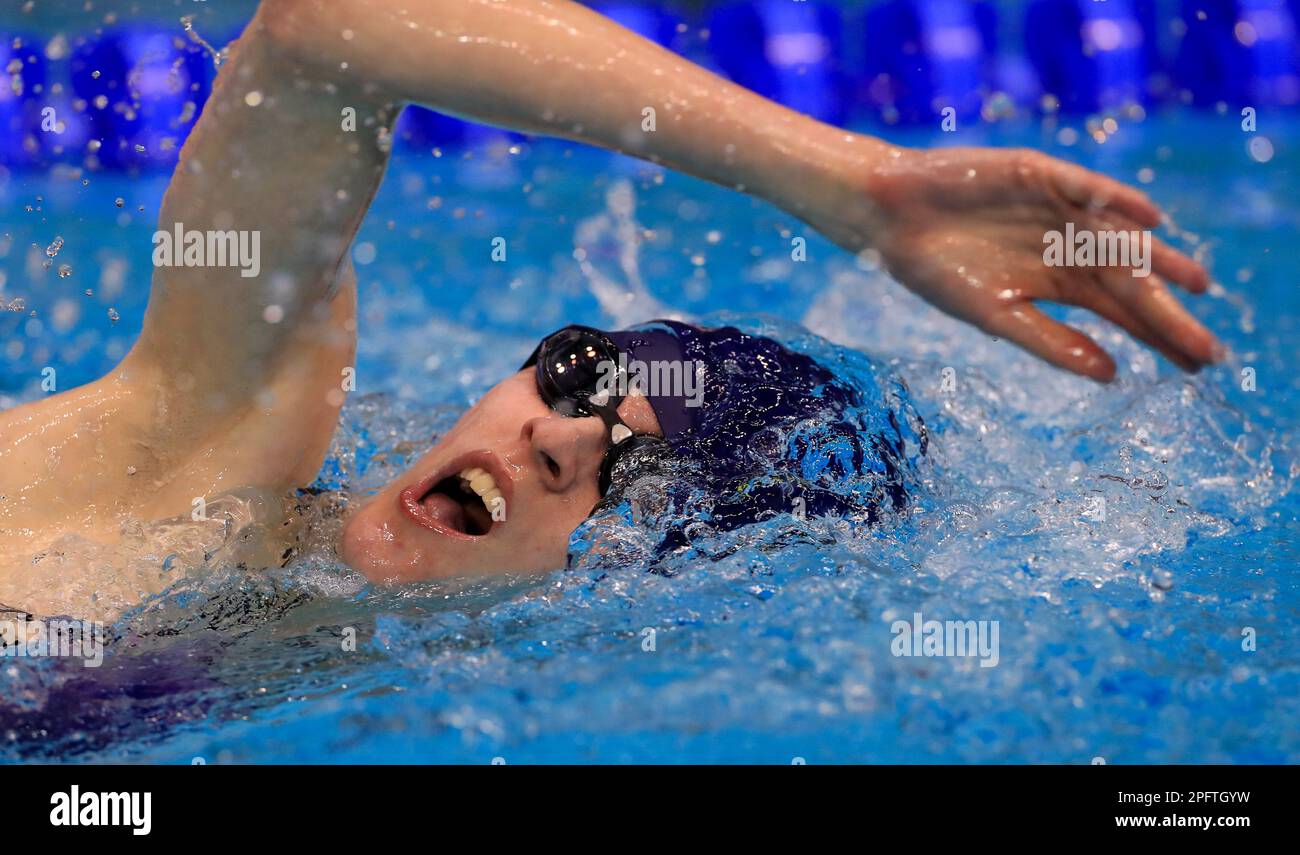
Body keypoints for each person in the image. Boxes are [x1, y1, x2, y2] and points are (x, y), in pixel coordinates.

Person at [0, 0, 1219, 610]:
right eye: (578, 374)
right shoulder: (206, 442)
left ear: (649, 580)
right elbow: (328, 31)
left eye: (639, 476)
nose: (563, 431)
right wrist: (856, 186)